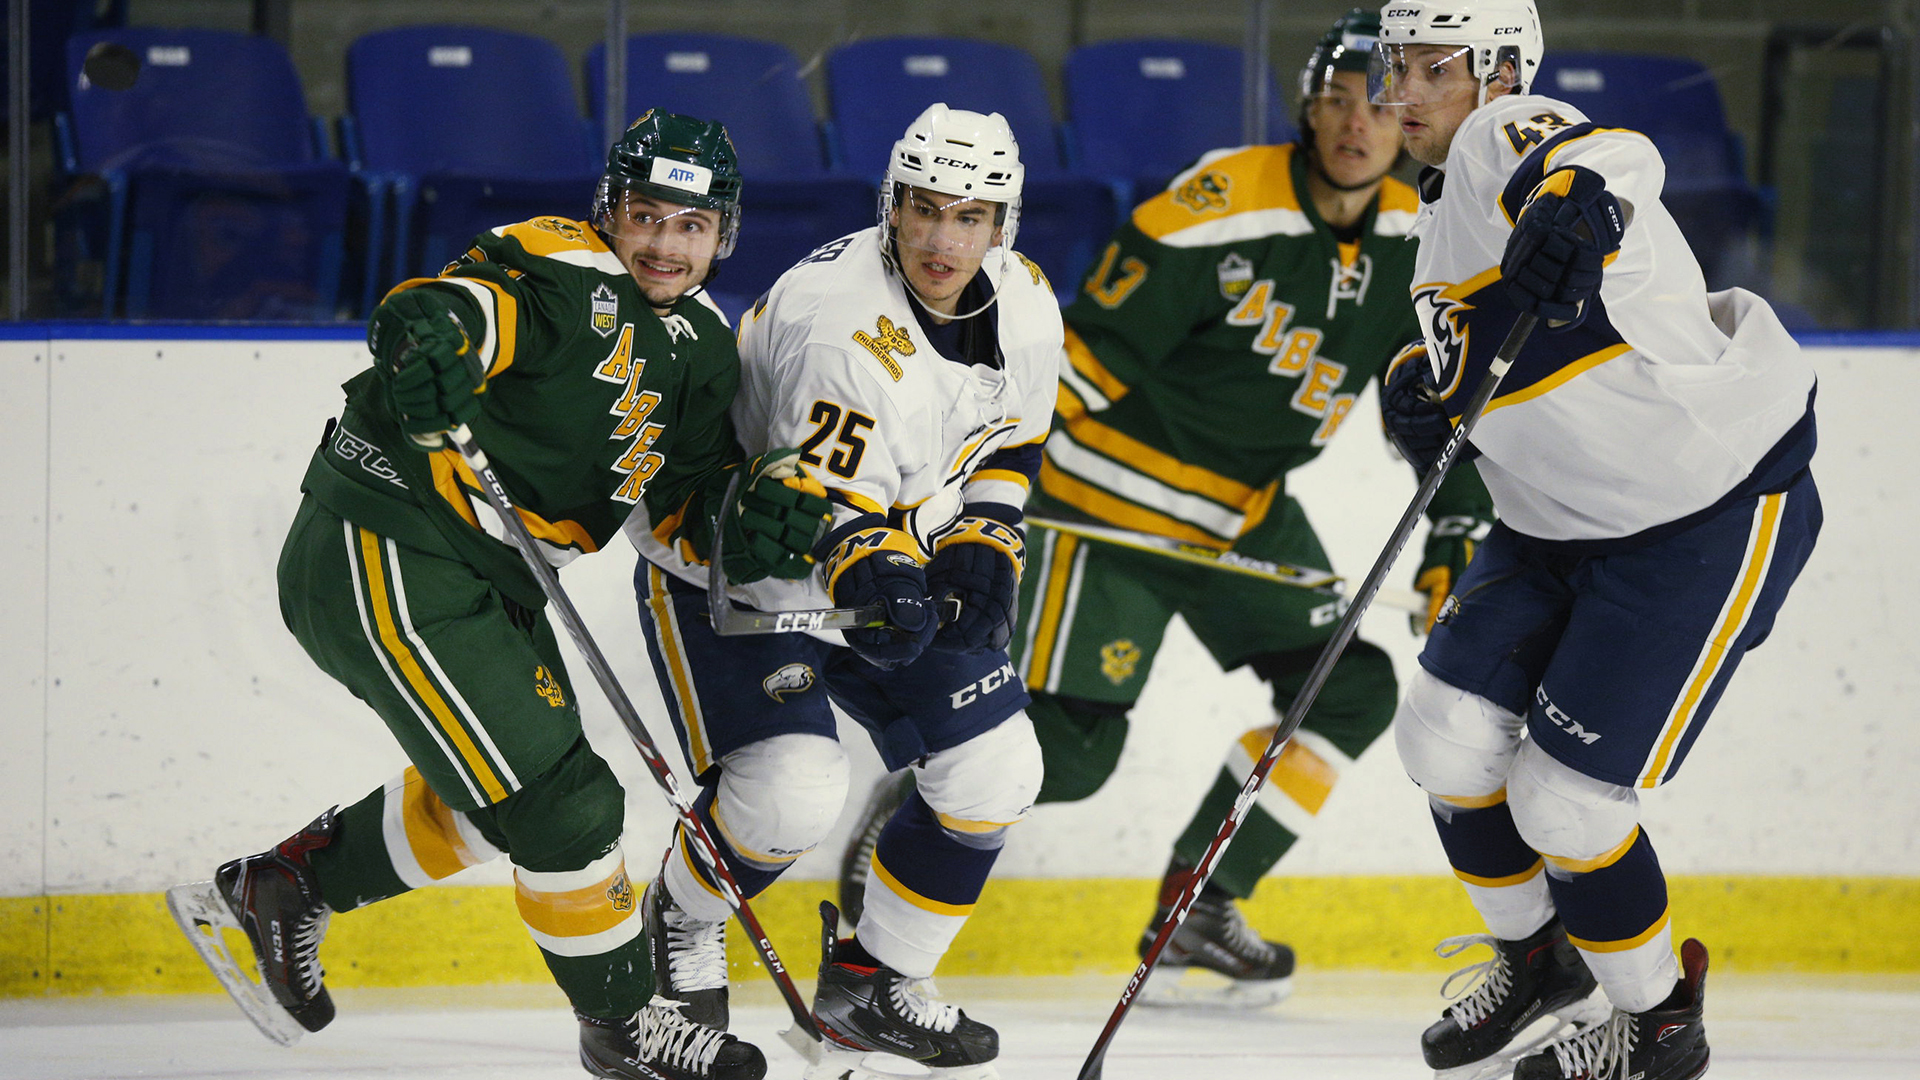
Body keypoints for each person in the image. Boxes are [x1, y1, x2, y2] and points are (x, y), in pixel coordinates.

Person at [834, 8, 1495, 1007]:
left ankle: (1200, 900)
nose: (1356, 125)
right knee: (1078, 756)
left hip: (1240, 508)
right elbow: (1080, 364)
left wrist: (1455, 529)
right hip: (1109, 503)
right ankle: (920, 802)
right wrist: (966, 478)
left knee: (1348, 689)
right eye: (1334, 101)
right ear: (1306, 111)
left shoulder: (1420, 232)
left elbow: (1426, 400)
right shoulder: (1219, 204)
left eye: (1377, 104)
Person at [165, 111, 834, 1080]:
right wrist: (424, 342)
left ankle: (285, 884)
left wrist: (750, 525)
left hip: (499, 577)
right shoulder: (558, 264)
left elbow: (685, 507)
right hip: (393, 543)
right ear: (610, 213)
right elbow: (461, 311)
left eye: (691, 227)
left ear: (721, 237)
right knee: (565, 807)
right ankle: (621, 1022)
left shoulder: (701, 344)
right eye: (646, 216)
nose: (663, 245)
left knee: (509, 801)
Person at [1368, 2, 1822, 1078]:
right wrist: (1420, 393)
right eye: (1396, 68)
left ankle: (1659, 1022)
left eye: (1431, 68)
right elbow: (1486, 365)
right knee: (1442, 738)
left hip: (1702, 510)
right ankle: (1539, 961)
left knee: (1565, 801)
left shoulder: (1502, 130)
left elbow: (1602, 154)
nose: (1405, 93)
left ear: (1497, 72)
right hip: (1551, 523)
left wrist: (1575, 199)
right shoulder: (1434, 216)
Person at [621, 103, 1060, 1080]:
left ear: (1005, 227)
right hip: (735, 567)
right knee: (790, 794)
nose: (946, 240)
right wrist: (886, 574)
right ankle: (683, 923)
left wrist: (991, 533)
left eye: (973, 217)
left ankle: (873, 985)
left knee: (997, 770)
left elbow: (1015, 439)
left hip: (883, 547)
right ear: (891, 205)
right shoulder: (838, 326)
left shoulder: (1025, 300)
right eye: (926, 209)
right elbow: (814, 508)